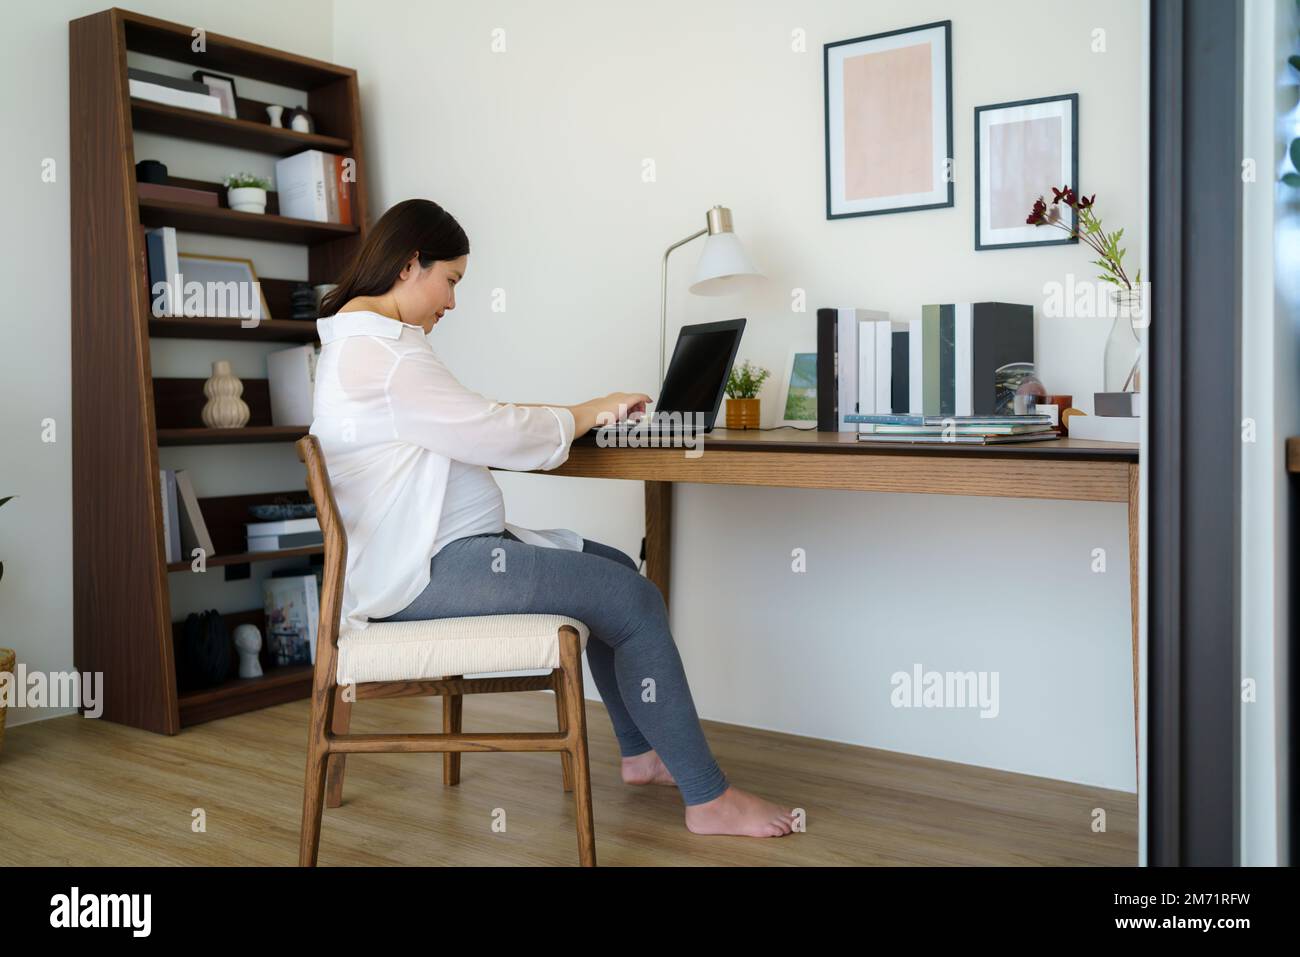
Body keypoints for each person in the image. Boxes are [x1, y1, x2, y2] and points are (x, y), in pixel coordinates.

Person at [310, 198, 795, 838]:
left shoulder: (367, 344)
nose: (451, 303)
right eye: (450, 281)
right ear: (411, 265)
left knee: (615, 567)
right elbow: (487, 431)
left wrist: (580, 411)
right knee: (634, 598)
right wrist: (587, 411)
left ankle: (643, 753)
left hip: (433, 556)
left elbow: (471, 416)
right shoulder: (387, 354)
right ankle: (709, 800)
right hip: (428, 571)